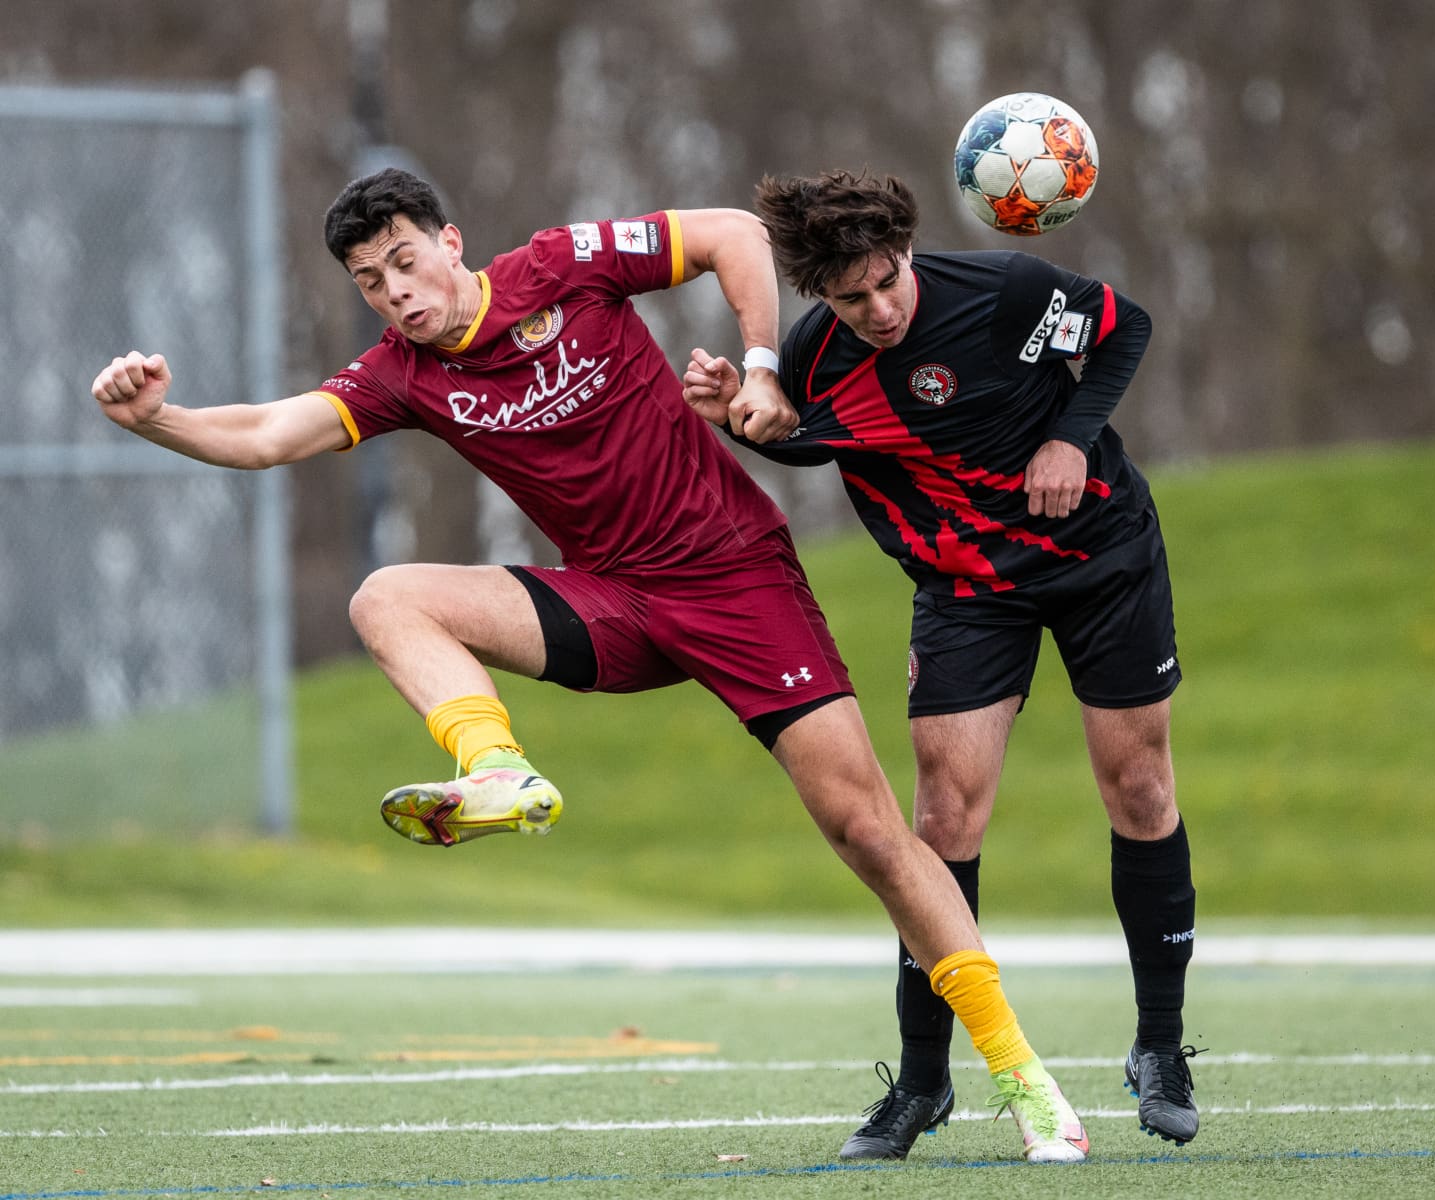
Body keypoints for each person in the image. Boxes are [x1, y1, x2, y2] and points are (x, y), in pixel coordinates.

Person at [90, 167, 1090, 1165]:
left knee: (868, 831)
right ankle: (497, 771)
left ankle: (1023, 1078)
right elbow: (269, 433)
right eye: (370, 280)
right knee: (385, 596)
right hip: (612, 603)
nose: (396, 291)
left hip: (737, 582)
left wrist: (760, 367)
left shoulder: (564, 267)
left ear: (450, 242)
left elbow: (734, 233)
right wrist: (159, 420)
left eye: (404, 261)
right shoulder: (402, 373)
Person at [682, 169, 1201, 1158]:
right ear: (820, 295)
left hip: (1102, 556)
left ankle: (1161, 1048)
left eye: (888, 281)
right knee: (941, 822)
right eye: (852, 298)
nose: (878, 309)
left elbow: (1123, 328)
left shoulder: (1005, 290)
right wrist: (738, 419)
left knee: (1139, 787)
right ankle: (923, 1082)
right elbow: (817, 440)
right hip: (968, 590)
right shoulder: (814, 355)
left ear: (907, 253)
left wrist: (1069, 439)